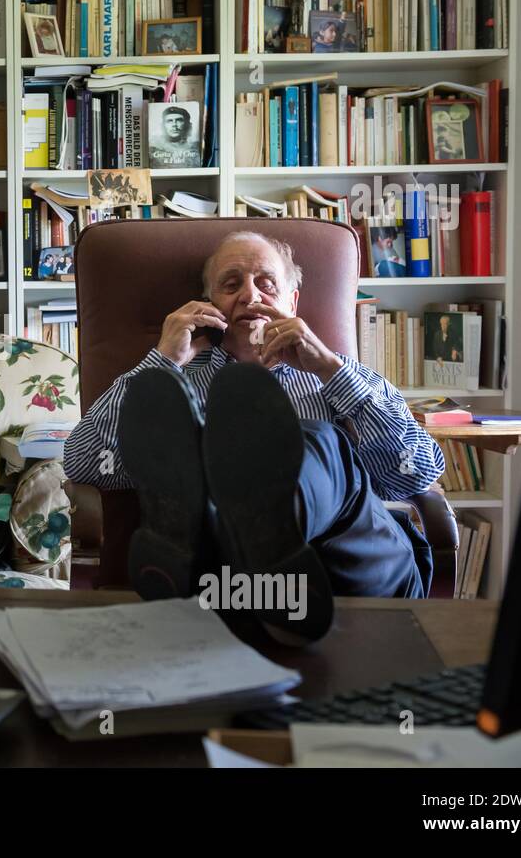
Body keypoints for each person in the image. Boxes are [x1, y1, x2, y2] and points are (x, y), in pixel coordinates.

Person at [63, 231, 446, 641]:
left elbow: (414, 476)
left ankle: (261, 523)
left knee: (320, 444)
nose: (250, 295)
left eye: (266, 283)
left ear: (292, 303)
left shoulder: (342, 376)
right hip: (235, 582)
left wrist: (332, 372)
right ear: (208, 306)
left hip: (350, 568)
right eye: (231, 285)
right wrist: (161, 362)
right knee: (216, 460)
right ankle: (231, 540)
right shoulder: (171, 385)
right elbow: (84, 462)